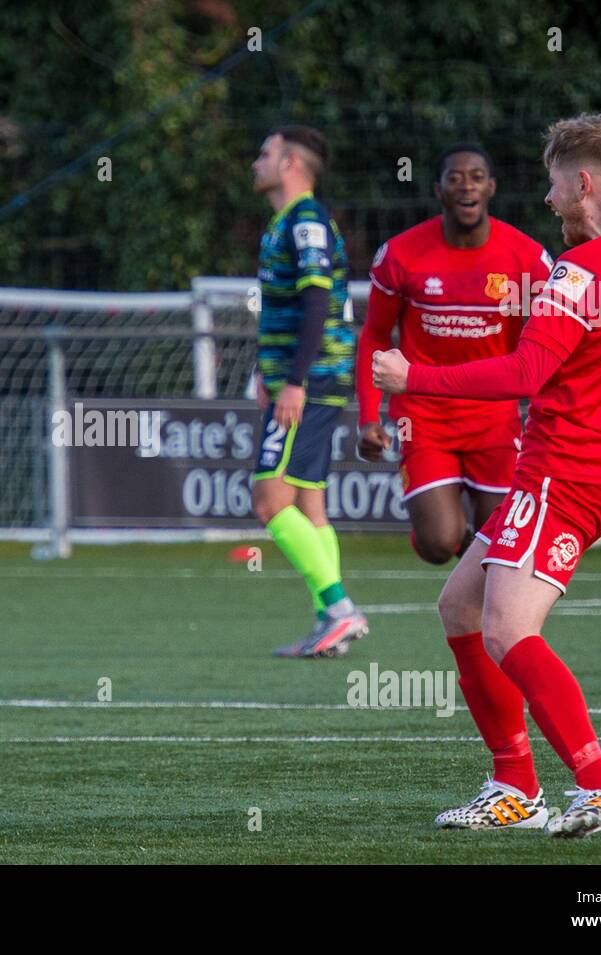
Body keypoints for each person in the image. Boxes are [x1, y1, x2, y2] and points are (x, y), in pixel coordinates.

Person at [373, 112, 601, 836]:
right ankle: (514, 786)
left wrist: (413, 375)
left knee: (506, 627)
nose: (549, 202)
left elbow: (525, 371)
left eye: (554, 187)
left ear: (584, 184)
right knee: (459, 606)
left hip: (561, 470)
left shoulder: (586, 269)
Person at [357, 145, 552, 563]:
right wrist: (369, 417)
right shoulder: (403, 255)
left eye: (477, 176)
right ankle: (442, 537)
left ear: (492, 187)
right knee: (439, 543)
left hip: (496, 419)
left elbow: (542, 347)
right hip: (423, 418)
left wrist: (542, 412)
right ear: (439, 190)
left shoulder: (525, 260)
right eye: (455, 177)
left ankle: (479, 618)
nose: (467, 185)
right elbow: (374, 336)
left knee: (499, 549)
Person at [248, 125, 367, 658]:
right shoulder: (284, 222)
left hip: (313, 378)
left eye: (265, 153)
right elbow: (289, 307)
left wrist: (293, 381)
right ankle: (329, 623)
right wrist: (266, 371)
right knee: (310, 503)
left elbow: (318, 303)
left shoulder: (307, 221)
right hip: (304, 376)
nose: (257, 162)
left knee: (269, 499)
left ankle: (340, 608)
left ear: (291, 162)